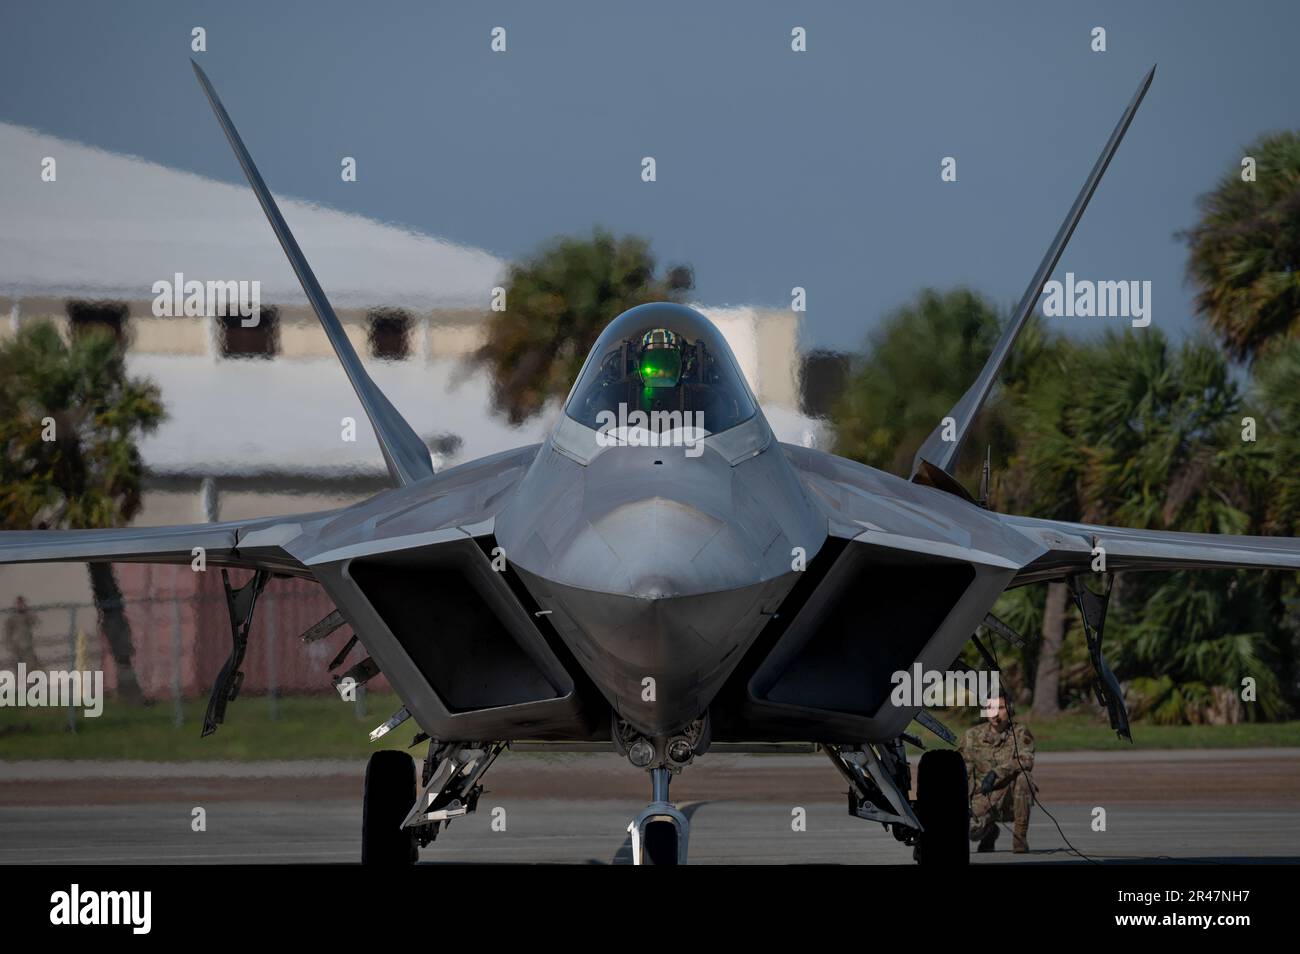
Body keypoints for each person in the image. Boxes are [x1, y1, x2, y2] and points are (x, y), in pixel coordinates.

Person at [957, 693, 1034, 853]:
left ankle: (1020, 838)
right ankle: (989, 832)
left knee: (1025, 778)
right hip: (982, 796)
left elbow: (1026, 760)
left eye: (1000, 708)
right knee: (969, 830)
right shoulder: (972, 735)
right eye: (990, 708)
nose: (994, 712)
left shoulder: (1020, 733)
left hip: (1009, 797)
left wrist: (997, 773)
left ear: (1010, 710)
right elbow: (960, 769)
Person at [3, 595, 42, 670]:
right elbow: (7, 633)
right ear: (15, 605)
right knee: (20, 669)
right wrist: (10, 645)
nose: (20, 605)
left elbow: (37, 623)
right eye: (18, 604)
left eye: (22, 603)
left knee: (32, 668)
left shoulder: (28, 615)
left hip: (28, 647)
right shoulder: (11, 618)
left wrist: (27, 612)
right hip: (17, 649)